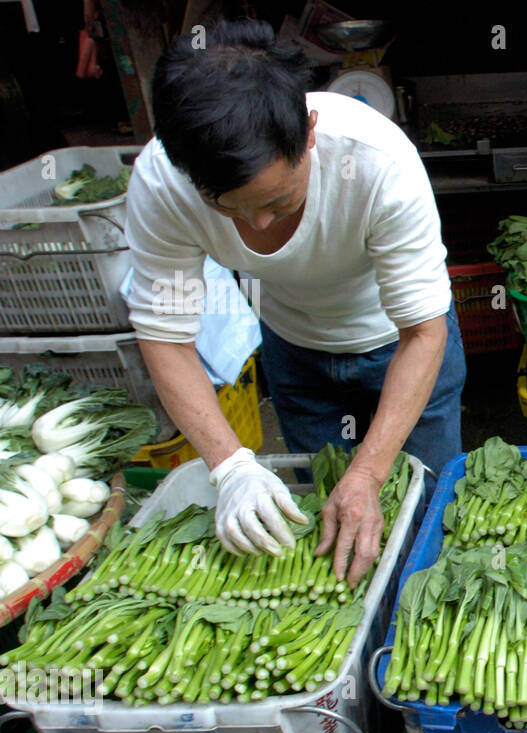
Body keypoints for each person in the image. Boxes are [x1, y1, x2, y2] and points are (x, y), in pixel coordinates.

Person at [124, 19, 466, 586]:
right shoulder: (164, 184)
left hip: (402, 345)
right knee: (322, 532)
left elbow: (423, 333)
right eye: (228, 208)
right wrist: (231, 467)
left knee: (425, 519)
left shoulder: (378, 162)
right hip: (294, 348)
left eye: (279, 201)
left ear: (308, 131)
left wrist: (370, 474)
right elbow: (165, 335)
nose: (255, 225)